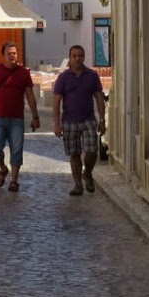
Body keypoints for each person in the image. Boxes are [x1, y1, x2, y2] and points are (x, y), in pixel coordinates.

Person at [0, 41, 39, 191]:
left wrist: (35, 116)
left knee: (17, 148)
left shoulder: (24, 72)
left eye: (14, 53)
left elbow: (30, 95)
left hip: (17, 118)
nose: (12, 56)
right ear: (3, 55)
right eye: (9, 53)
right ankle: (3, 168)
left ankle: (14, 180)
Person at [52, 44, 107, 196]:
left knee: (92, 151)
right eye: (74, 56)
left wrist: (102, 120)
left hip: (88, 120)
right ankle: (77, 185)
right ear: (70, 58)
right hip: (69, 121)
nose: (77, 59)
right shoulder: (63, 77)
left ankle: (87, 173)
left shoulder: (92, 75)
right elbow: (56, 102)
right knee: (74, 154)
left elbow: (99, 98)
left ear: (84, 57)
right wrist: (57, 124)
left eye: (80, 56)